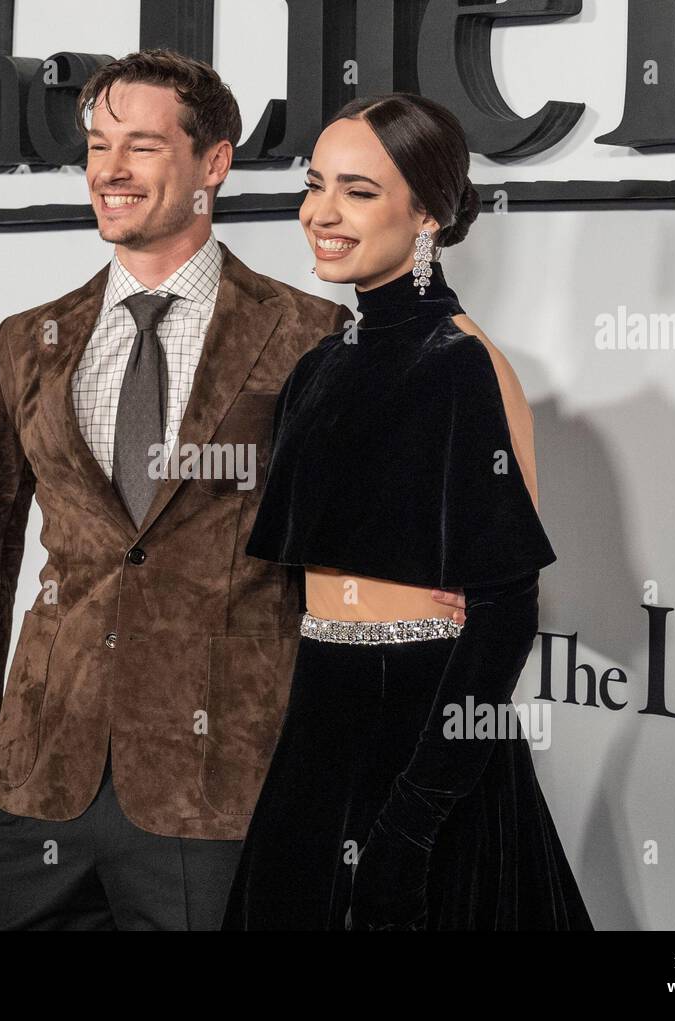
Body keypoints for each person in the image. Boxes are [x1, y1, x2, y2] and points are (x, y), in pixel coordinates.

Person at [0, 51, 471, 930]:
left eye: (141, 146)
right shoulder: (28, 341)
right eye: (99, 145)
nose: (111, 170)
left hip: (225, 784)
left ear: (212, 162)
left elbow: (354, 557)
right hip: (43, 779)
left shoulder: (312, 334)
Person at [222, 93, 593, 930]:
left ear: (427, 213)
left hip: (424, 748)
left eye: (357, 191)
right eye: (316, 184)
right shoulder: (318, 369)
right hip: (317, 735)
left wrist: (409, 828)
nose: (321, 212)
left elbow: (503, 613)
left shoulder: (462, 365)